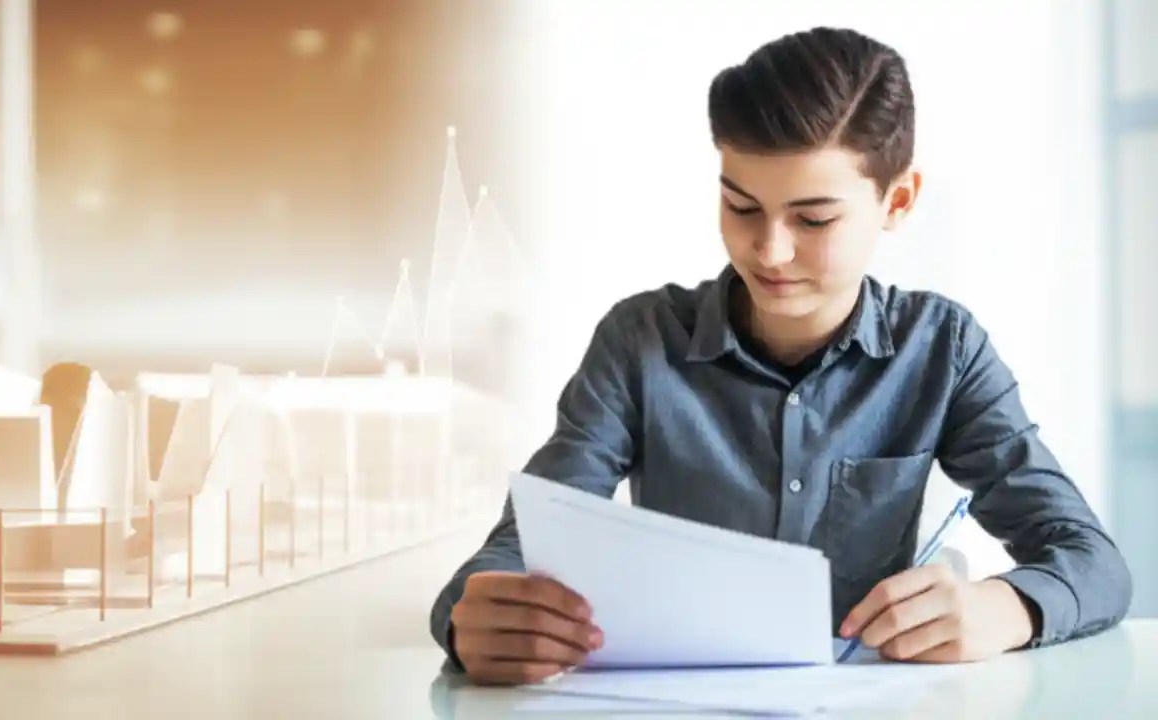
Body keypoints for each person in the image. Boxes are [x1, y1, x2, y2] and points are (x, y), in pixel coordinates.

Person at [429, 26, 1132, 686]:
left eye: (813, 219)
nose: (770, 251)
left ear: (899, 199)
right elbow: (516, 547)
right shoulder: (639, 341)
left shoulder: (942, 349)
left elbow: (1091, 561)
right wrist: (472, 620)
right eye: (741, 207)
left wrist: (1005, 610)